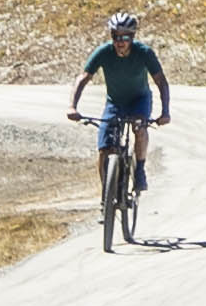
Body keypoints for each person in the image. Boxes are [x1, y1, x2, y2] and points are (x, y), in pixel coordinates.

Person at [69, 11, 168, 204]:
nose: (120, 41)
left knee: (139, 128)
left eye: (125, 37)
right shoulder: (104, 52)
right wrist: (72, 106)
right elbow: (83, 78)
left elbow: (161, 81)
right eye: (115, 36)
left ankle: (139, 169)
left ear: (132, 37)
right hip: (115, 102)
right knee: (105, 148)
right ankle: (106, 197)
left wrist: (165, 112)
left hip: (140, 100)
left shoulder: (144, 53)